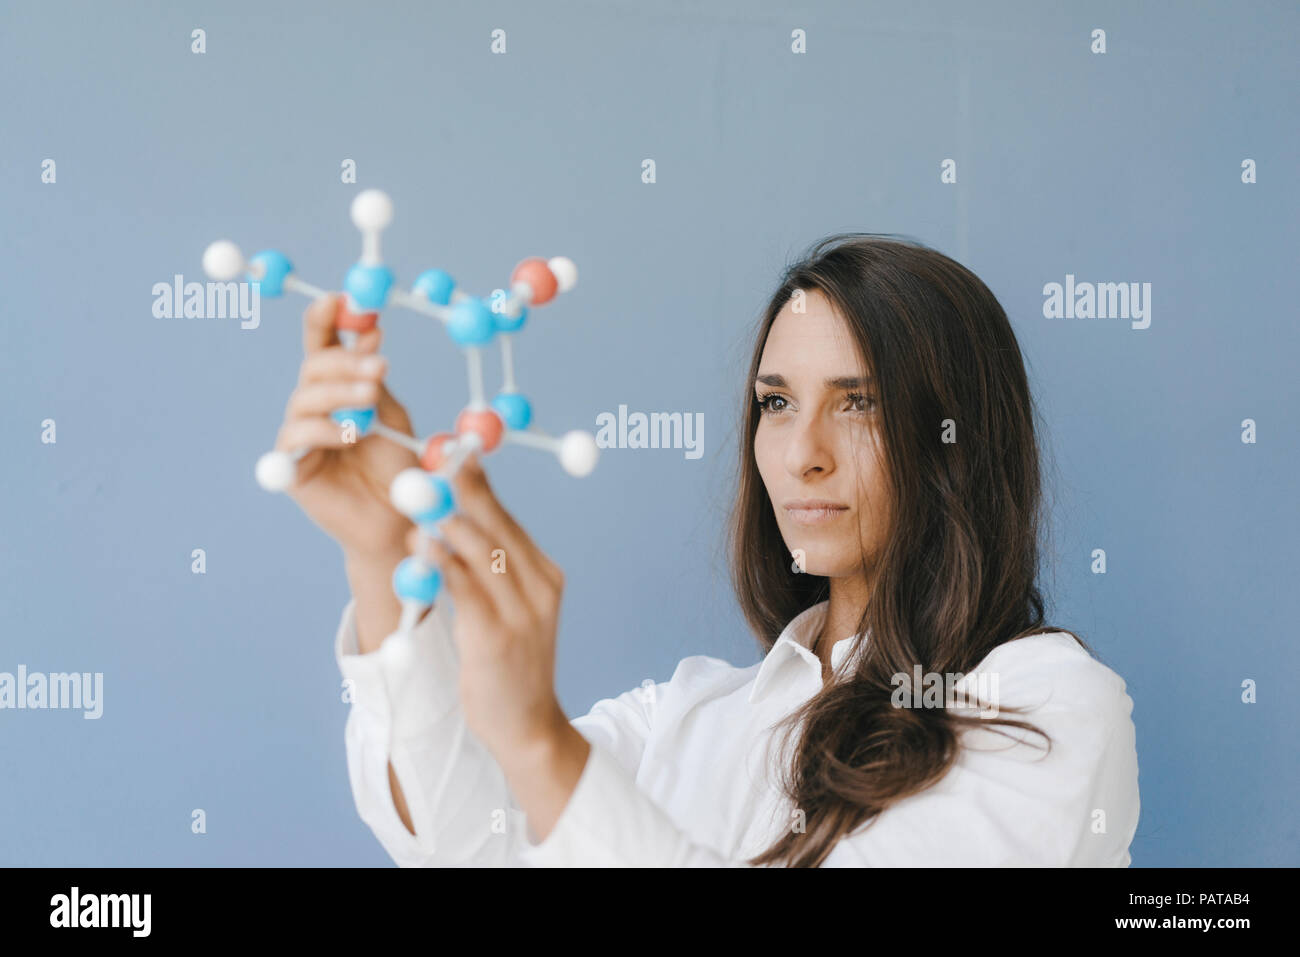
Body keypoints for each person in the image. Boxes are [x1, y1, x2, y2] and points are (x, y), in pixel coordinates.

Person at [273, 234, 1140, 867]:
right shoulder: (688, 719)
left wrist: (540, 739)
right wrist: (381, 550)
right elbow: (467, 839)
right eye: (774, 402)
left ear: (956, 439)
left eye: (859, 403)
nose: (803, 451)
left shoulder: (1045, 708)